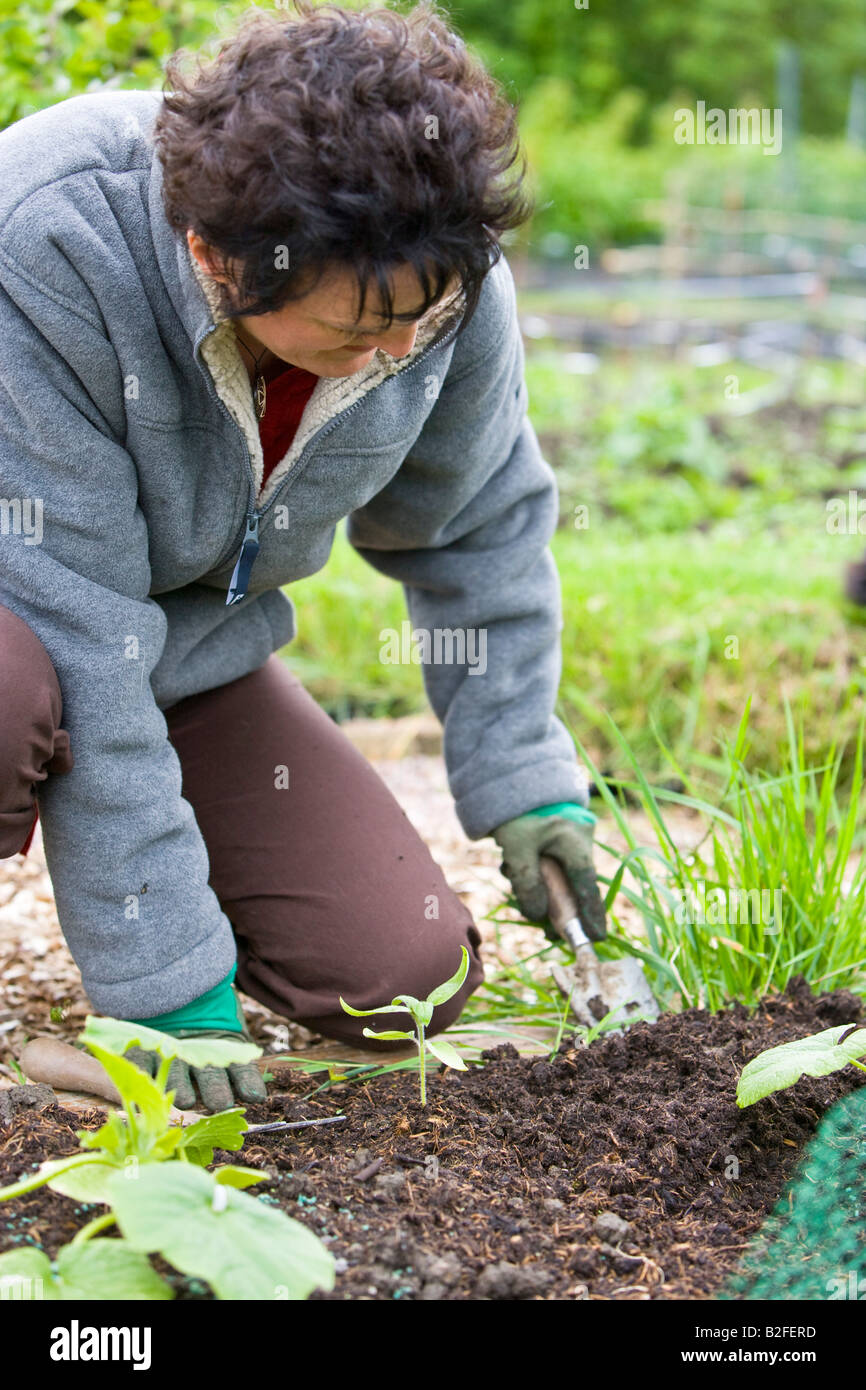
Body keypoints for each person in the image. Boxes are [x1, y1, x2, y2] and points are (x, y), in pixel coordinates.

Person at [0, 2, 605, 1110]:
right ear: (214, 258)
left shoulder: (432, 282)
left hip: (180, 646)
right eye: (348, 335)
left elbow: (472, 525)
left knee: (399, 969)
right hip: (29, 619)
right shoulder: (46, 235)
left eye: (417, 323)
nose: (394, 356)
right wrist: (168, 990)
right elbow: (77, 625)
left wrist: (522, 770)